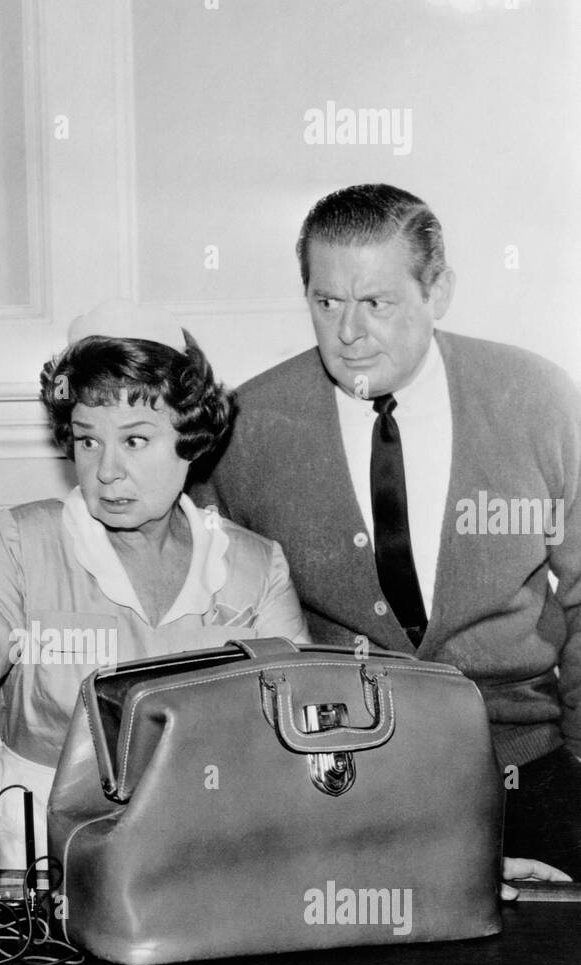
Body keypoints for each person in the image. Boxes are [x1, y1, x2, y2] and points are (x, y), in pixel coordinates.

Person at [0, 300, 310, 892]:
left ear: (191, 438)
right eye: (88, 442)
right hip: (32, 865)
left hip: (200, 860)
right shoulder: (24, 543)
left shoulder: (253, 565)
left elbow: (296, 740)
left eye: (136, 440)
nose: (107, 471)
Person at [192, 184, 581, 877]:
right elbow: (210, 628)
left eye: (377, 303)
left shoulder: (539, 400)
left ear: (438, 292)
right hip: (339, 786)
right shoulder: (247, 428)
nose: (348, 333)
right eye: (327, 302)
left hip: (529, 770)